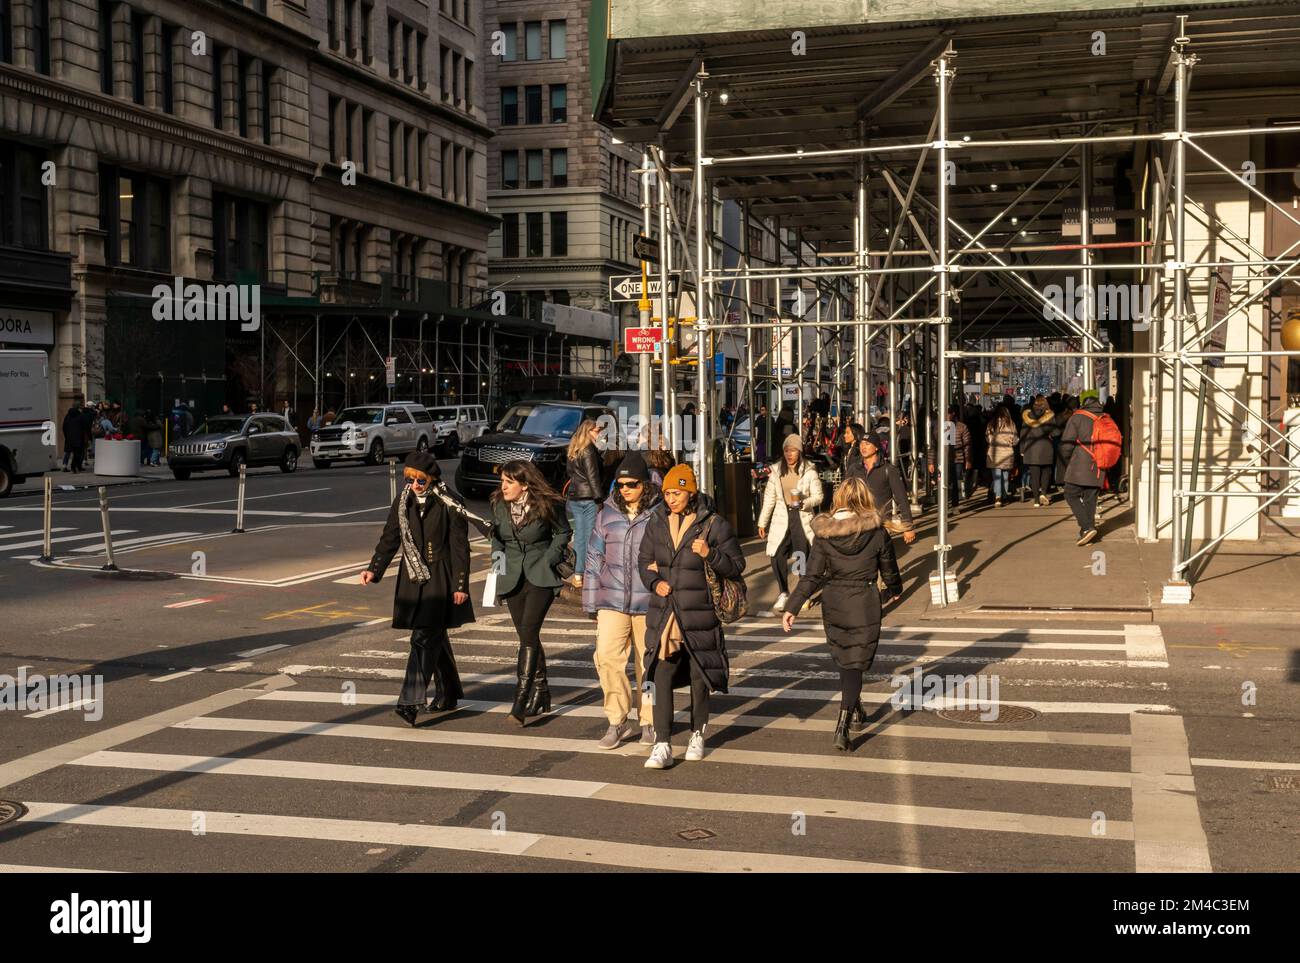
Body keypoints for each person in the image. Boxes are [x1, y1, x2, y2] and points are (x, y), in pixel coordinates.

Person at [638, 464, 745, 769]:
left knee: (699, 677)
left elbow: (737, 566)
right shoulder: (656, 521)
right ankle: (662, 744)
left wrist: (710, 554)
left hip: (700, 612)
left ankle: (697, 733)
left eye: (677, 492)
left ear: (691, 492)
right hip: (667, 612)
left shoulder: (714, 525)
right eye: (667, 492)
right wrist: (654, 583)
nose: (671, 498)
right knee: (660, 675)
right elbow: (644, 560)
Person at [782, 477, 902, 751]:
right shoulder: (877, 532)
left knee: (846, 658)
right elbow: (889, 570)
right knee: (855, 662)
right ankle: (842, 724)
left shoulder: (825, 535)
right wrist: (895, 589)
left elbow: (811, 576)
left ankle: (856, 707)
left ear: (838, 501)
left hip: (834, 600)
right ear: (865, 499)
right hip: (864, 601)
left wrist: (792, 607)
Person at [361, 452, 474, 726]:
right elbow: (390, 537)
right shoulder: (403, 501)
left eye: (420, 479)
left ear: (432, 477)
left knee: (423, 638)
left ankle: (410, 702)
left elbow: (460, 547)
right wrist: (374, 569)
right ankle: (448, 693)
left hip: (441, 579)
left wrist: (460, 585)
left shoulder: (450, 501)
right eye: (409, 478)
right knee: (434, 636)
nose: (414, 484)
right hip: (413, 578)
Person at [584, 451, 660, 749]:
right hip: (610, 600)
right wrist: (591, 602)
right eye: (621, 484)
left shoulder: (659, 513)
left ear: (645, 484)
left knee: (649, 664)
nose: (625, 489)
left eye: (632, 484)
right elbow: (593, 558)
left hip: (649, 602)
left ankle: (650, 720)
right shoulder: (605, 513)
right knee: (606, 658)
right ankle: (617, 721)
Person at [488, 460, 572, 725]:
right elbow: (497, 539)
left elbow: (562, 532)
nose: (503, 487)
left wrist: (549, 559)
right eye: (502, 481)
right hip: (511, 577)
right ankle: (543, 692)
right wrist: (498, 568)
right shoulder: (499, 505)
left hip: (540, 576)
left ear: (524, 485)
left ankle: (521, 700)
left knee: (528, 634)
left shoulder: (548, 504)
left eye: (509, 482)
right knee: (528, 635)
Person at [757, 433, 823, 613]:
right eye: (787, 450)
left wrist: (804, 502)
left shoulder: (809, 470)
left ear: (799, 452)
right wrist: (763, 522)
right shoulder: (776, 470)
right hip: (781, 516)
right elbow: (769, 498)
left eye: (793, 450)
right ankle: (783, 592)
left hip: (801, 516)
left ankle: (802, 594)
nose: (789, 454)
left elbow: (818, 497)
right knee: (777, 553)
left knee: (802, 554)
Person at [1057, 389, 1109, 545]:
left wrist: (1065, 461)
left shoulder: (1078, 417)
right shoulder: (1105, 417)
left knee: (1070, 494)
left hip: (1080, 463)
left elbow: (1067, 444)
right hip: (1100, 464)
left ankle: (1087, 527)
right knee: (1090, 498)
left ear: (1083, 401)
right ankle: (1087, 531)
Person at [848, 431, 916, 547]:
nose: (863, 447)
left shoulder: (888, 470)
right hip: (856, 522)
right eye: (862, 444)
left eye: (867, 444)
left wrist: (908, 526)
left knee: (881, 560)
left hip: (881, 524)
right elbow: (844, 494)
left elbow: (902, 499)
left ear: (876, 448)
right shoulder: (854, 469)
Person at [565, 417, 606, 589]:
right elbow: (593, 477)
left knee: (580, 537)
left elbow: (570, 474)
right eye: (597, 431)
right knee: (590, 538)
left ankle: (578, 574)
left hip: (575, 497)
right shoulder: (589, 450)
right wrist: (600, 499)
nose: (600, 434)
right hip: (589, 498)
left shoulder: (574, 449)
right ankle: (589, 573)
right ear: (588, 431)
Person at [928, 405, 971, 514]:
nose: (946, 416)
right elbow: (933, 445)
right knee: (943, 482)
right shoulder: (938, 427)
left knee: (955, 482)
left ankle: (955, 505)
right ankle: (944, 504)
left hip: (957, 458)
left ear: (953, 414)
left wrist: (968, 459)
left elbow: (967, 445)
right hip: (943, 458)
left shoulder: (961, 427)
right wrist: (931, 462)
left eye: (948, 413)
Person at [1020, 395, 1058, 507]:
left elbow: (1023, 434)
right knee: (1046, 472)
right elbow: (1056, 433)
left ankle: (1036, 500)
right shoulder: (1050, 416)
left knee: (1034, 475)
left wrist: (1022, 449)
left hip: (1031, 449)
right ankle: (1043, 493)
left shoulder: (1027, 417)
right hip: (1046, 448)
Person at [985, 406, 1019, 508]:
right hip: (1007, 453)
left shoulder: (991, 423)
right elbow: (1015, 439)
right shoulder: (1011, 424)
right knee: (1005, 477)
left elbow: (988, 438)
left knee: (997, 477)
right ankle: (1004, 496)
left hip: (995, 454)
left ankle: (998, 497)